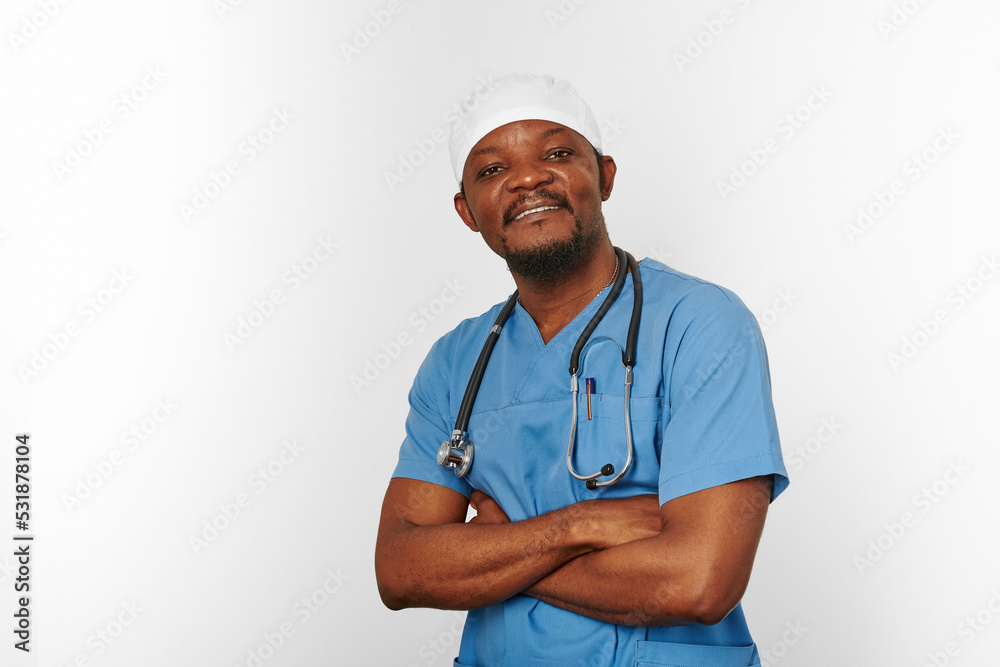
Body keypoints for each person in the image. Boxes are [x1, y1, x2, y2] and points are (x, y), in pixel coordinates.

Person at [375, 73, 789, 667]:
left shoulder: (700, 324)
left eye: (557, 154)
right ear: (467, 211)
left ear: (606, 176)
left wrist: (491, 551)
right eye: (492, 169)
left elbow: (699, 582)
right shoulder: (455, 362)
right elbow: (399, 571)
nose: (527, 178)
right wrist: (576, 527)